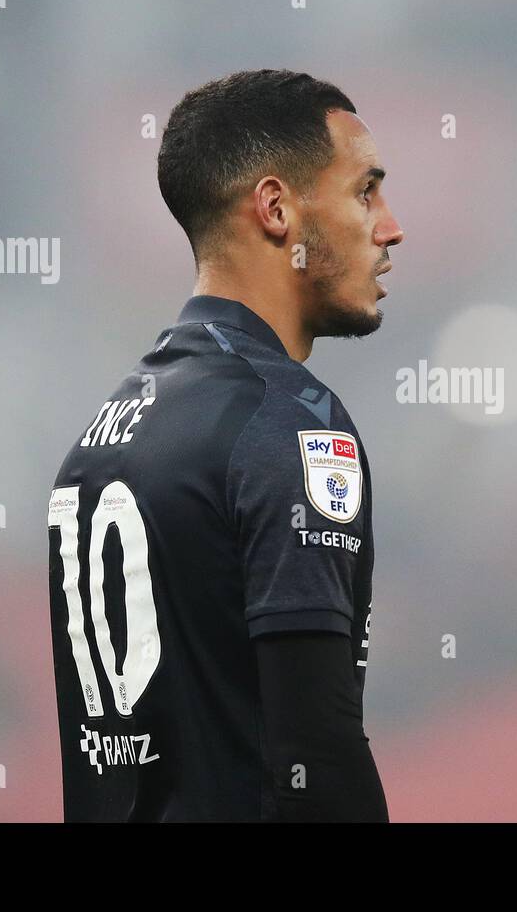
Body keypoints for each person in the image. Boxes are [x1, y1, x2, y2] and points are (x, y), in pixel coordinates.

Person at [46, 69, 403, 821]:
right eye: (365, 191)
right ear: (276, 208)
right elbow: (314, 753)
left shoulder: (101, 435)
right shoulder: (287, 420)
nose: (389, 226)